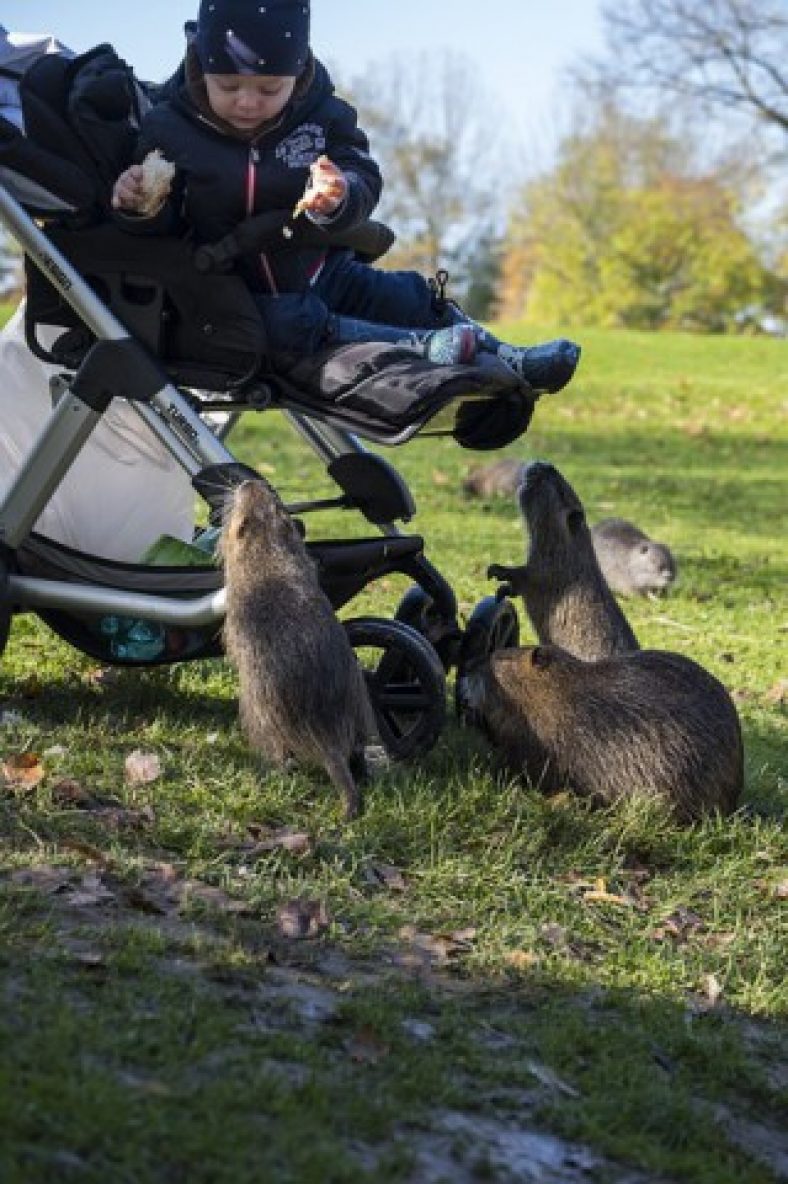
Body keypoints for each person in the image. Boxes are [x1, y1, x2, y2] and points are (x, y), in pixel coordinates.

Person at [112, 0, 580, 391]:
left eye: (269, 88)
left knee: (411, 293)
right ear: (201, 67)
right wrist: (139, 205)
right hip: (232, 300)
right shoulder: (167, 128)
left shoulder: (324, 117)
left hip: (320, 269)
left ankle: (503, 354)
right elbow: (159, 229)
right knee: (292, 323)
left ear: (298, 72)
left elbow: (363, 174)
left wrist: (340, 196)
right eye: (228, 87)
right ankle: (418, 348)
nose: (247, 102)